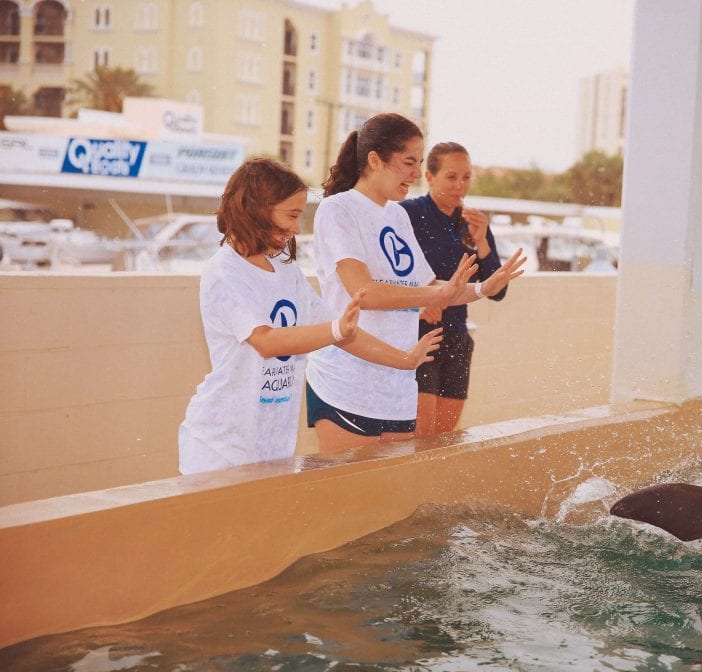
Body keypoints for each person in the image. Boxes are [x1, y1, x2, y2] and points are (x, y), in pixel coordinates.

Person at [178, 157, 443, 475]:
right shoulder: (224, 271)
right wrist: (336, 330)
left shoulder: (286, 271)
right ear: (258, 208)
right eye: (291, 215)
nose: (295, 228)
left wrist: (404, 359)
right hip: (220, 447)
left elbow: (344, 333)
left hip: (271, 446)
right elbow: (266, 341)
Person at [306, 113, 527, 454]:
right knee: (347, 495)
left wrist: (484, 288)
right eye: (409, 162)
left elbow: (433, 285)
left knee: (394, 497)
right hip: (348, 383)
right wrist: (439, 292)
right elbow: (365, 293)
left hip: (396, 385)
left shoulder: (395, 214)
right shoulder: (338, 210)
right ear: (374, 160)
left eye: (419, 162)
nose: (414, 173)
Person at [400, 142, 506, 436]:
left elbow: (497, 290)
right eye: (451, 176)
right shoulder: (406, 215)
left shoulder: (472, 222)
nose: (460, 185)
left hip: (457, 338)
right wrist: (422, 303)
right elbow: (388, 274)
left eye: (466, 177)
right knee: (420, 439)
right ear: (429, 176)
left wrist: (482, 241)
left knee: (444, 440)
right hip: (420, 335)